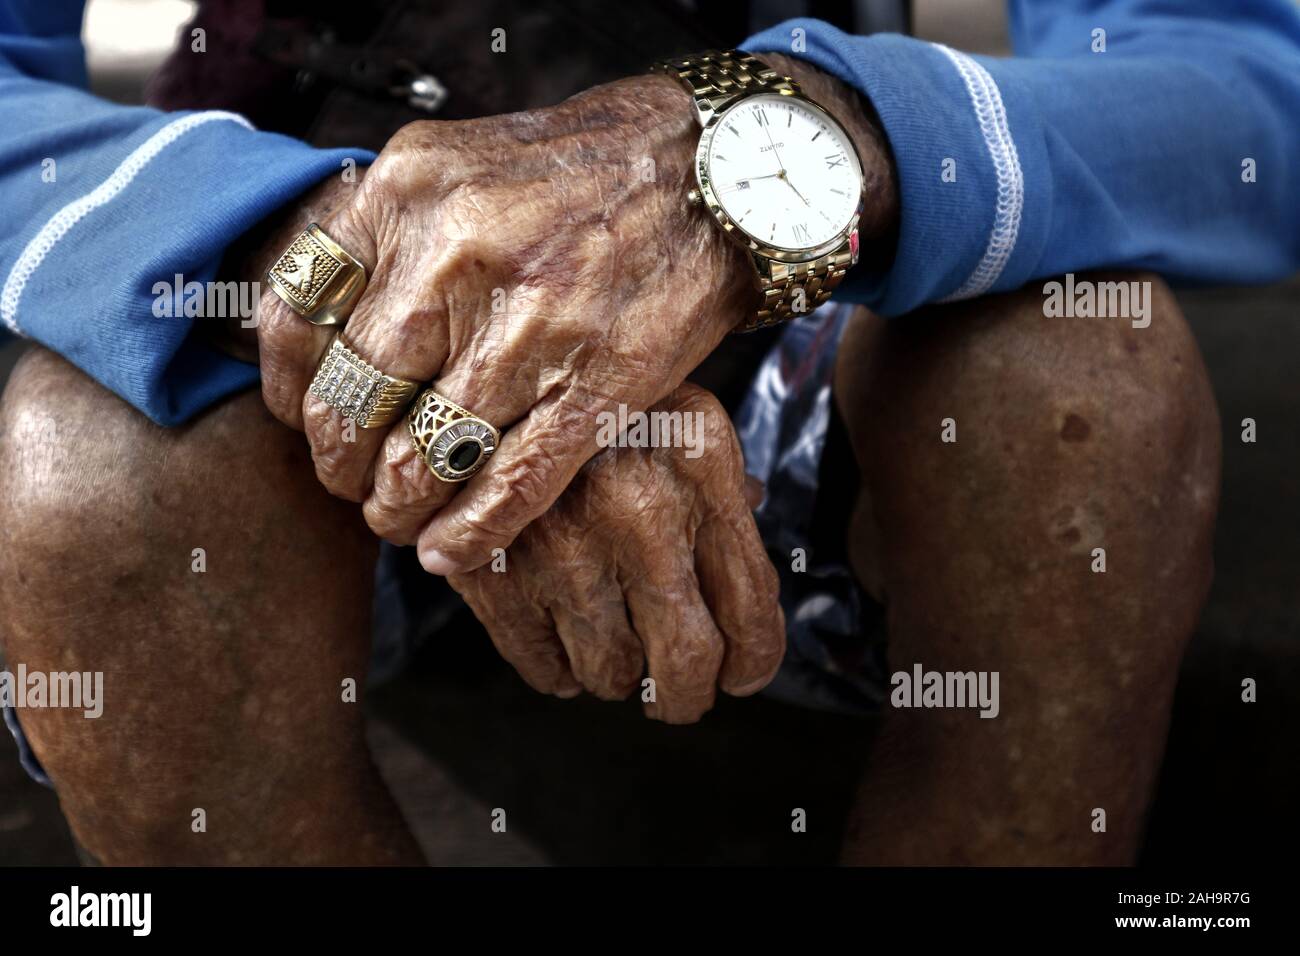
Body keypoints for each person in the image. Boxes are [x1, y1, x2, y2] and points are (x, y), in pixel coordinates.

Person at [0, 0, 1297, 864]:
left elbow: (1244, 70)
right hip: (283, 288)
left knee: (1087, 391)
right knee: (93, 476)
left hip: (822, 288)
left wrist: (765, 145)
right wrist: (347, 268)